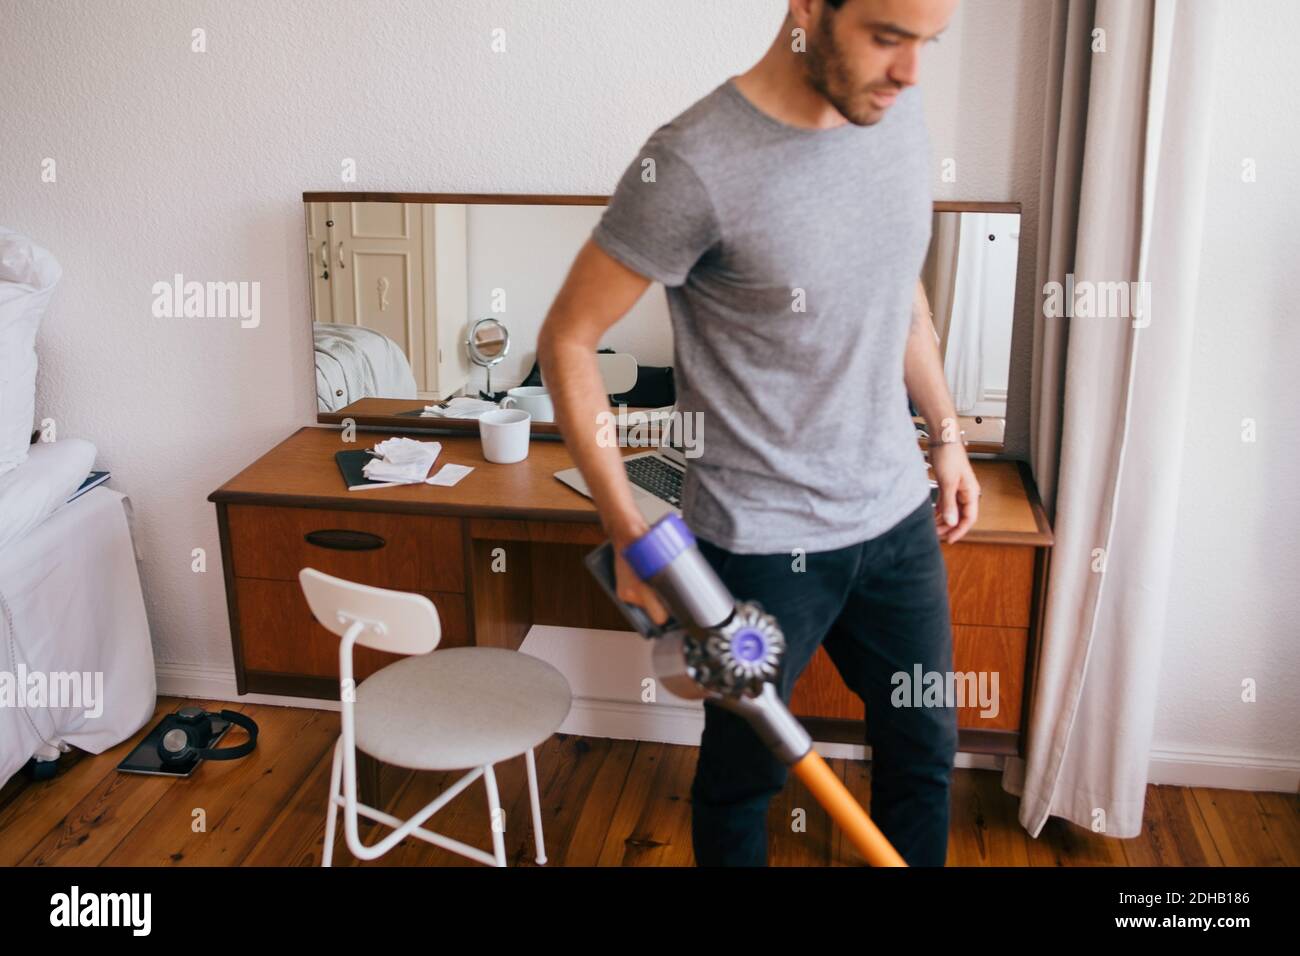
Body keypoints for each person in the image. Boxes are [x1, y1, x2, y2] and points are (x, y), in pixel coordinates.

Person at [537, 0, 974, 866]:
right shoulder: (693, 164)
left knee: (925, 753)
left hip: (896, 525)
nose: (912, 71)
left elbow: (898, 290)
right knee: (745, 781)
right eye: (888, 37)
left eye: (929, 43)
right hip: (763, 549)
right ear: (809, 10)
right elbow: (568, 339)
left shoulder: (892, 104)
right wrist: (626, 527)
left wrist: (946, 434)